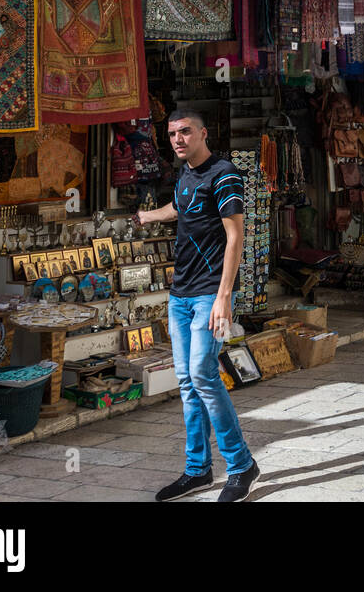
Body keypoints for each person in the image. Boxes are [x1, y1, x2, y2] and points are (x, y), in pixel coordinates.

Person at [137, 109, 259, 503]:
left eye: (185, 132)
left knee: (203, 375)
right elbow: (180, 208)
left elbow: (236, 235)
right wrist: (148, 216)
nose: (178, 139)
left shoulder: (224, 174)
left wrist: (224, 296)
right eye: (172, 134)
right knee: (188, 383)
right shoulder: (185, 175)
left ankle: (241, 466)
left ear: (203, 133)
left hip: (210, 293)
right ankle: (197, 470)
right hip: (180, 294)